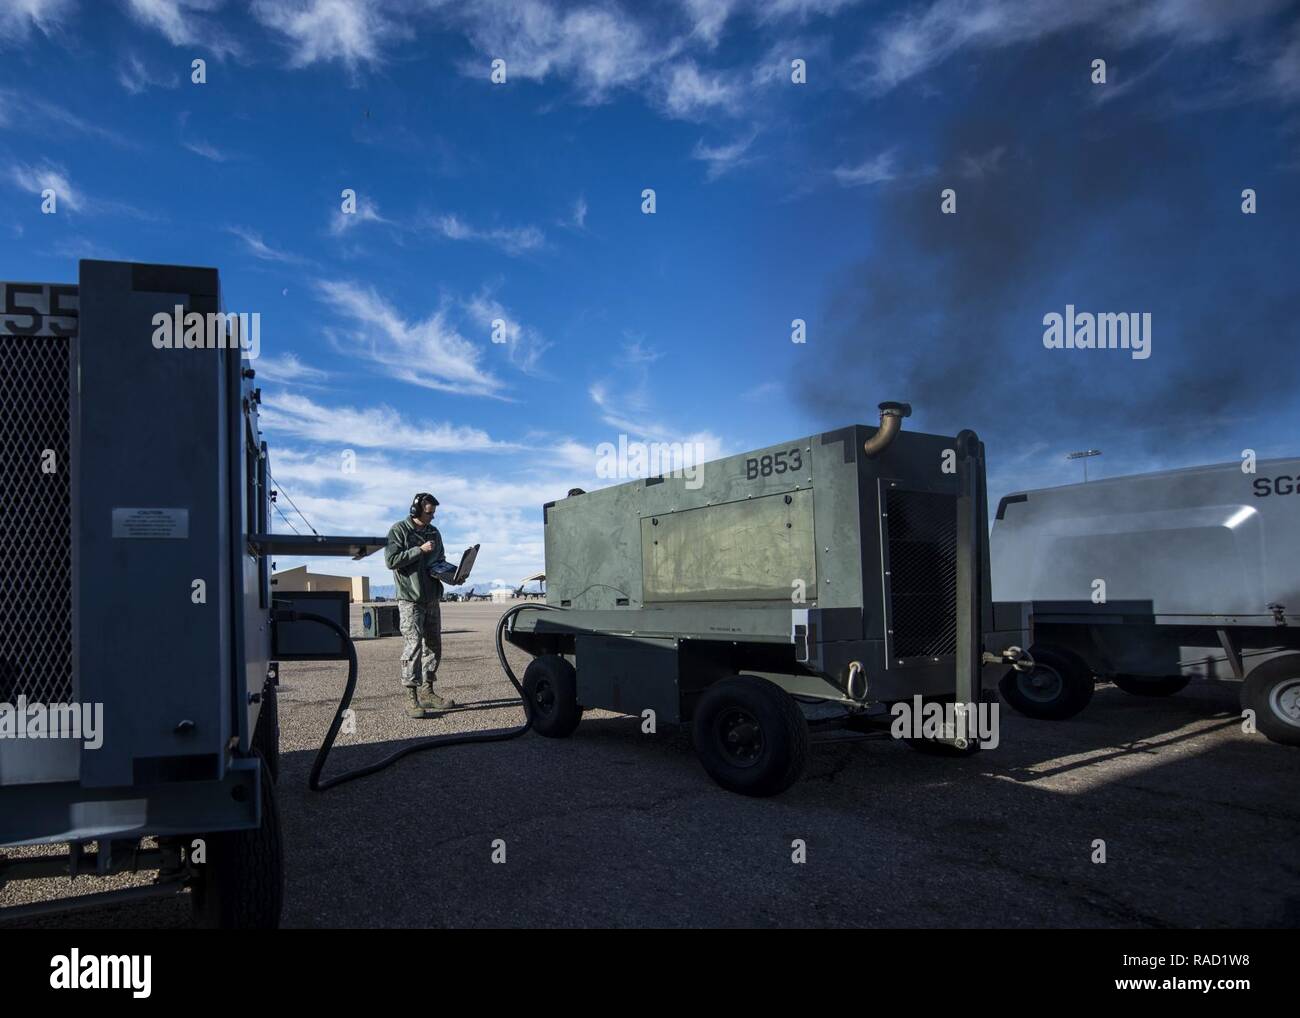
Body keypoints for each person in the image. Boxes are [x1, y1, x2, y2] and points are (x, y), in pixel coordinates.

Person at [384, 492, 459, 718]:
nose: (432, 518)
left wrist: (452, 575)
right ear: (416, 510)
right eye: (429, 513)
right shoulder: (399, 530)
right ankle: (412, 698)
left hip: (432, 598)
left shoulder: (434, 533)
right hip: (410, 599)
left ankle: (428, 692)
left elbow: (439, 561)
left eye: (434, 513)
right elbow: (391, 561)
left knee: (434, 646)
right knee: (414, 646)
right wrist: (420, 550)